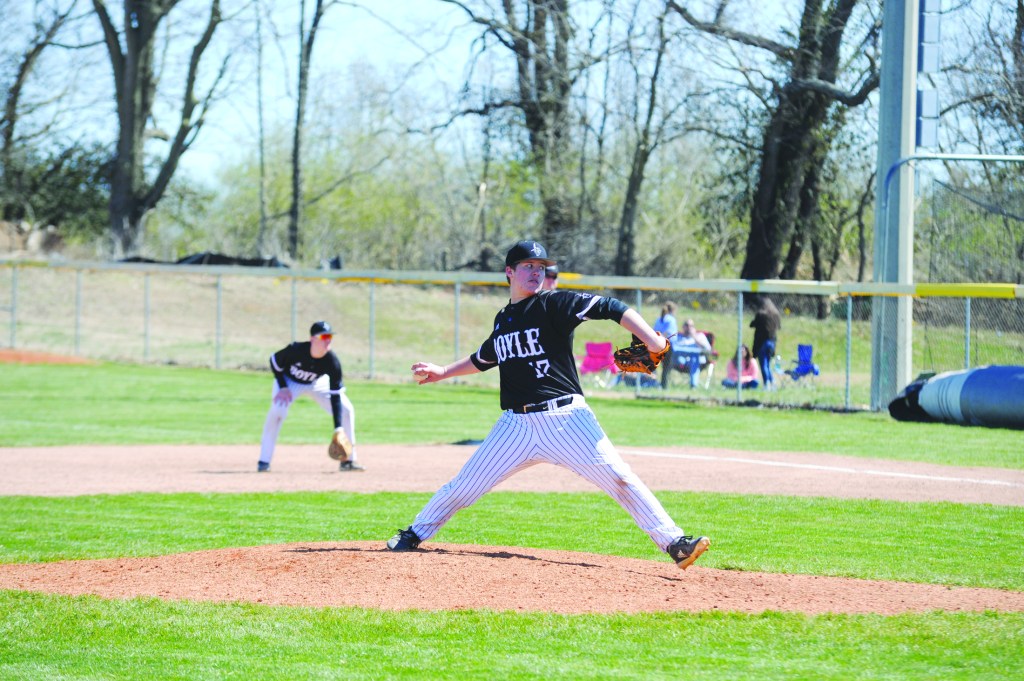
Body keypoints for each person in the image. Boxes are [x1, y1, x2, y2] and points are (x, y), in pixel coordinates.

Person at [387, 240, 710, 571]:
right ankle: (414, 533)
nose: (536, 272)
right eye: (528, 266)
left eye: (541, 267)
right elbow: (483, 358)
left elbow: (611, 306)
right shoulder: (503, 319)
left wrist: (653, 341)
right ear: (509, 272)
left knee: (620, 479)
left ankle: (675, 543)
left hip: (567, 419)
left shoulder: (554, 303)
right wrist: (443, 372)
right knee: (464, 487)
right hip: (515, 426)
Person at [258, 321, 363, 472]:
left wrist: (338, 428)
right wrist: (282, 386)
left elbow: (335, 395)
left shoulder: (332, 361)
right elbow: (274, 361)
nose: (328, 340)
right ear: (313, 339)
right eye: (324, 337)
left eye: (330, 337)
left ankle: (348, 461)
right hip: (290, 382)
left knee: (347, 410)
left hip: (317, 383)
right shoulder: (296, 350)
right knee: (277, 412)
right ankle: (264, 461)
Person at [750, 297, 781, 390]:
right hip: (772, 342)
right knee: (767, 364)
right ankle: (772, 382)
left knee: (763, 364)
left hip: (762, 342)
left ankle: (766, 383)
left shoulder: (761, 314)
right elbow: (779, 327)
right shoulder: (776, 314)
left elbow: (753, 324)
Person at [672, 318, 713, 388]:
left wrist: (694, 338)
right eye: (687, 325)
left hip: (697, 362)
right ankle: (664, 383)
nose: (689, 328)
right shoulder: (678, 337)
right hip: (681, 361)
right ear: (683, 327)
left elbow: (708, 349)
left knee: (694, 358)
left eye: (691, 326)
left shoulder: (700, 336)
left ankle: (693, 385)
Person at [652, 302, 678, 389]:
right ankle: (664, 386)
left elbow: (654, 331)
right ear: (672, 310)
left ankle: (653, 382)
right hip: (667, 346)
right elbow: (669, 333)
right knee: (666, 367)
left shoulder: (659, 319)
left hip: (657, 345)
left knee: (654, 365)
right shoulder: (671, 319)